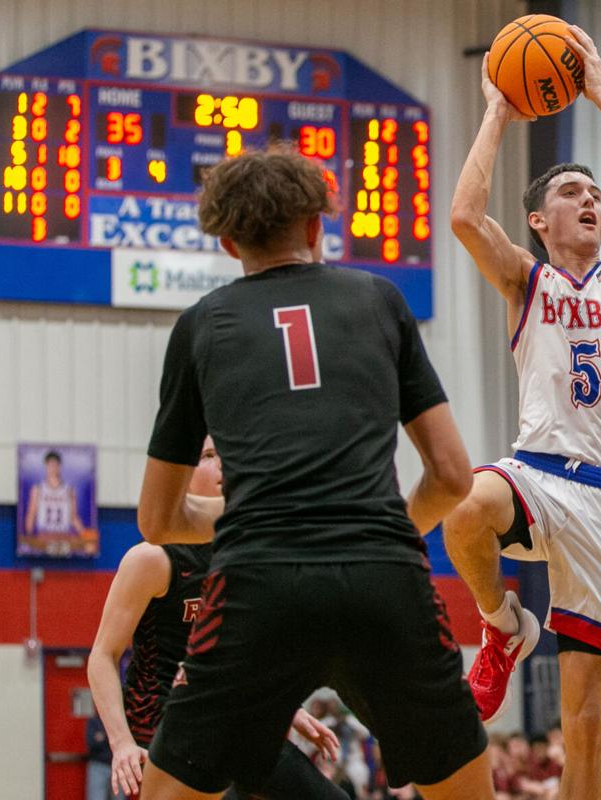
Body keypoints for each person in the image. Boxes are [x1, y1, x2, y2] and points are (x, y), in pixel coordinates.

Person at [134, 148, 491, 800]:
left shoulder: (199, 326)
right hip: (383, 572)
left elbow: (157, 520)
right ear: (317, 225)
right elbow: (452, 475)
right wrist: (374, 524)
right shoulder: (380, 300)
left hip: (258, 582)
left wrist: (248, 512)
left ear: (226, 239)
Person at [444, 27, 601, 800]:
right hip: (539, 473)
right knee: (466, 508)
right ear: (540, 224)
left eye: (595, 193)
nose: (590, 199)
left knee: (585, 722)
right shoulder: (525, 281)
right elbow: (462, 215)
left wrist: (600, 94)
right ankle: (497, 621)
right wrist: (495, 109)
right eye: (571, 194)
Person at [87, 437, 344, 799]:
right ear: (184, 476)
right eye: (208, 455)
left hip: (233, 722)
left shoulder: (249, 551)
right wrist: (121, 743)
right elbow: (102, 656)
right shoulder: (152, 559)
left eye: (229, 454)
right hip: (166, 731)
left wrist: (286, 709)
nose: (223, 464)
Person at [25, 450, 84, 538]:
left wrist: (85, 535)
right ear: (46, 466)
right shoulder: (38, 489)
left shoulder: (69, 490)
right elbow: (31, 514)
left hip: (63, 535)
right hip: (44, 535)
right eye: (50, 465)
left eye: (55, 465)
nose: (52, 468)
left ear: (60, 466)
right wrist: (28, 537)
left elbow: (73, 517)